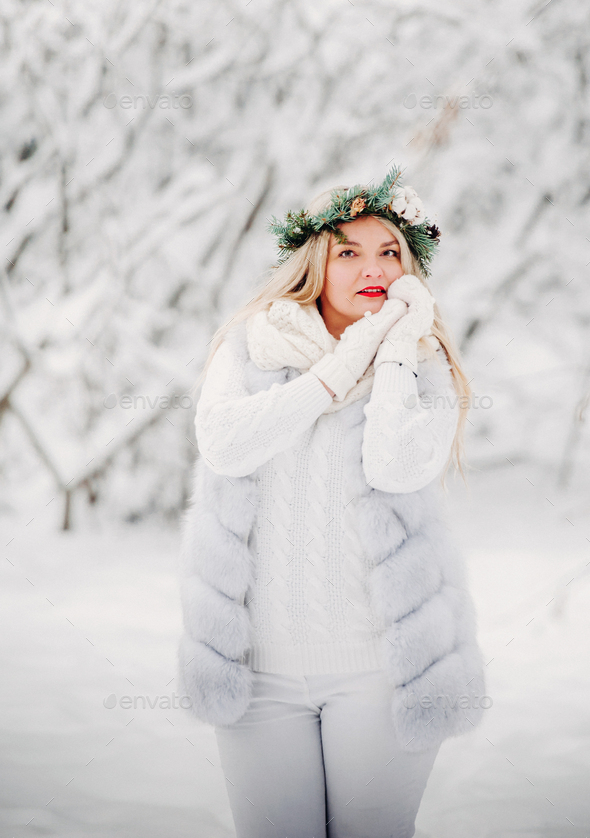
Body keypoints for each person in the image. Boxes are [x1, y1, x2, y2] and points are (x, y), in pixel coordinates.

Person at [177, 166, 487, 838]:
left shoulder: (425, 365)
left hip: (382, 675)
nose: (370, 267)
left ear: (410, 269)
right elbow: (225, 446)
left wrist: (395, 349)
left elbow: (395, 464)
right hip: (260, 677)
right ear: (316, 260)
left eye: (389, 252)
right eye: (348, 250)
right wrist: (341, 367)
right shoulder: (251, 348)